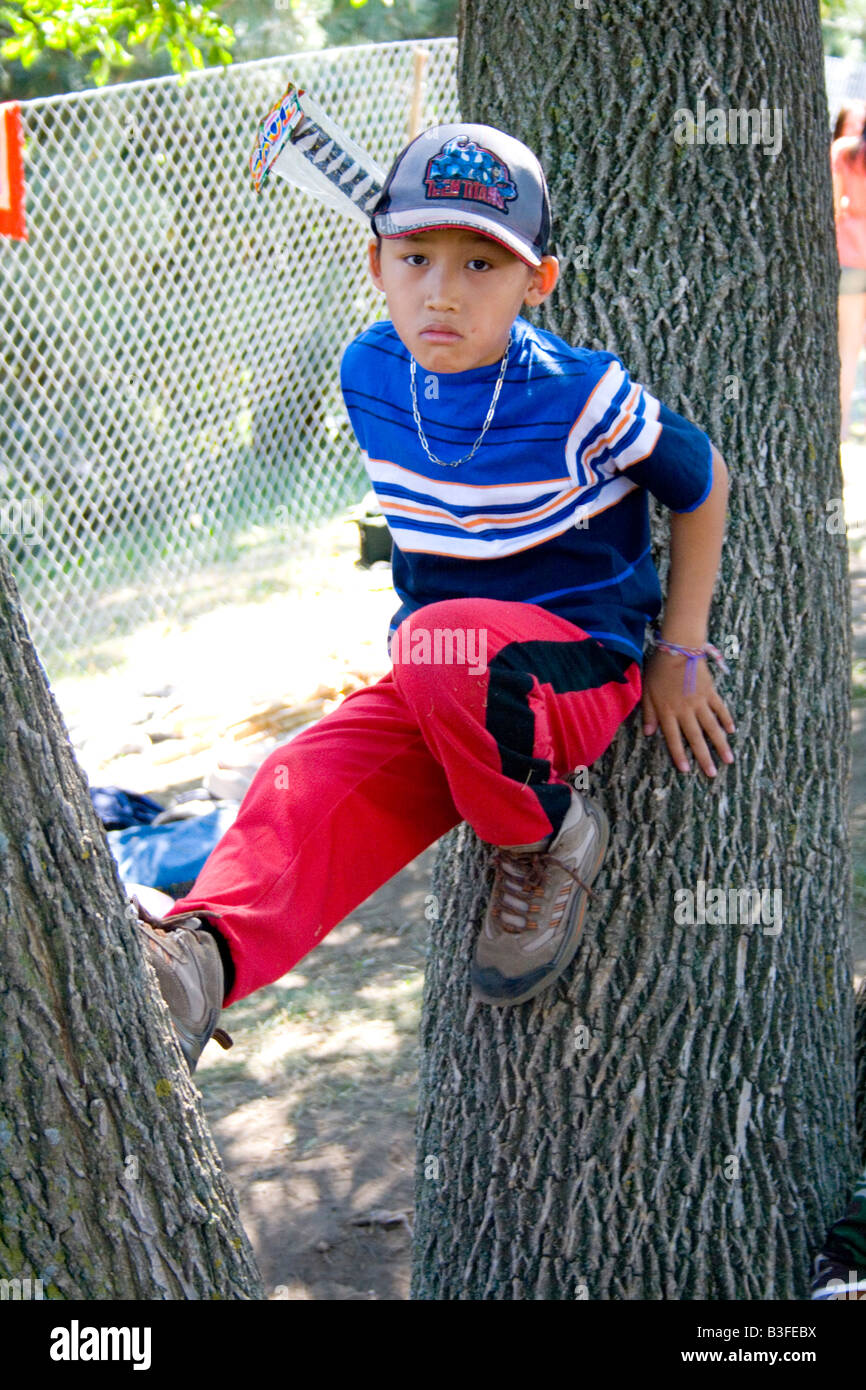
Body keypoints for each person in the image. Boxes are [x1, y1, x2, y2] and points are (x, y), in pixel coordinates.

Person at [134, 123, 734, 1071]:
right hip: (444, 674)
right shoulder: (369, 371)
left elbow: (702, 483)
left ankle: (546, 833)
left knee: (440, 651)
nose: (442, 292)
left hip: (570, 669)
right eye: (416, 256)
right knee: (303, 773)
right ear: (377, 263)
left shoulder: (581, 396)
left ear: (538, 282)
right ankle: (198, 960)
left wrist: (680, 649)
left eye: (481, 265)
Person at [831, 107, 866, 439]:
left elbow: (832, 200)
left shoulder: (844, 151)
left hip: (852, 252)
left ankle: (841, 424)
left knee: (848, 345)